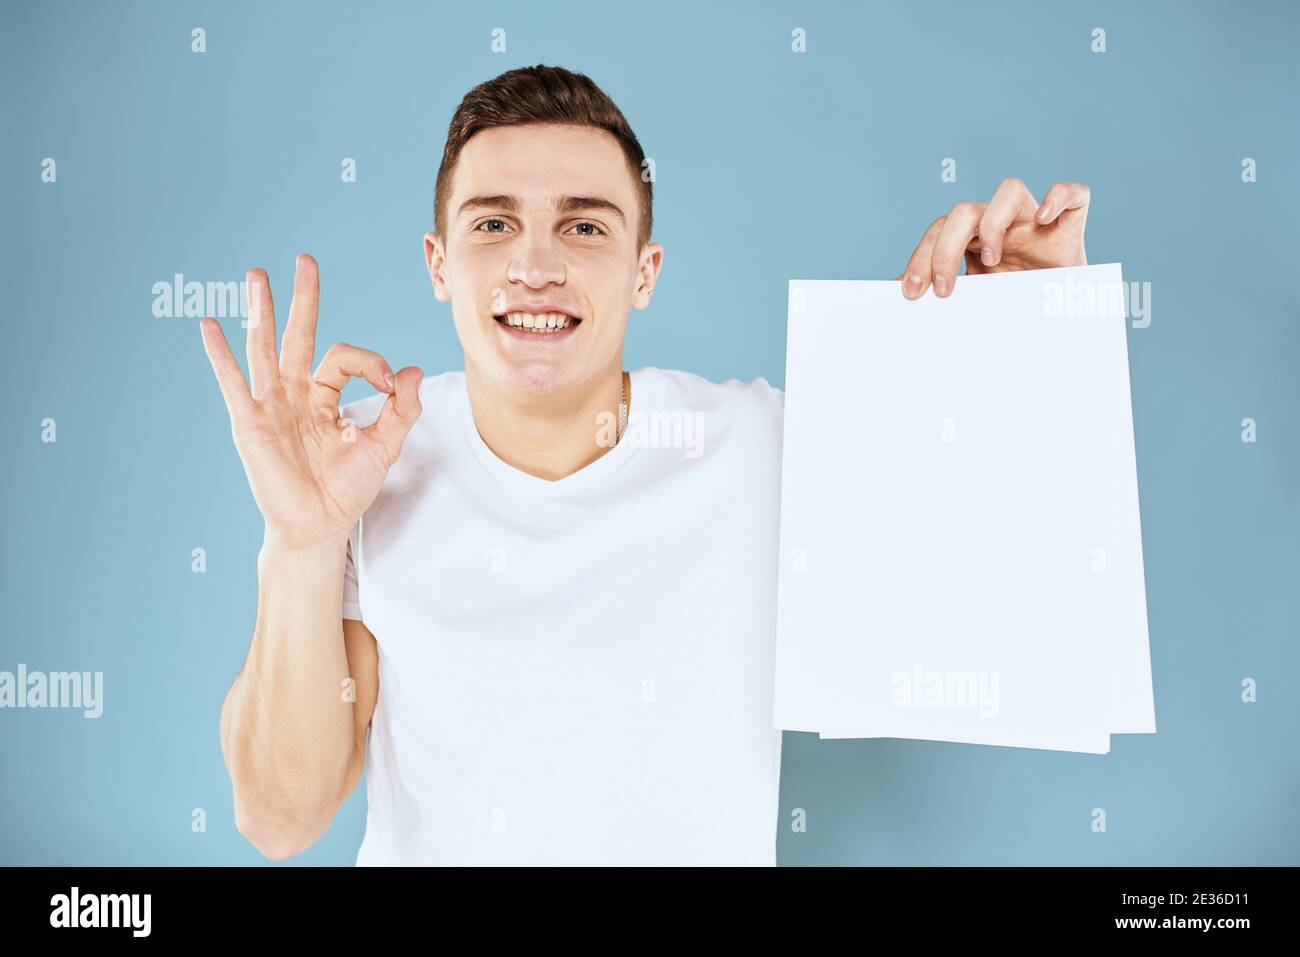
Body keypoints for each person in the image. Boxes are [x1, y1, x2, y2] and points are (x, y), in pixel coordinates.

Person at [200, 64, 1090, 866]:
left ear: (644, 270)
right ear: (440, 263)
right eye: (494, 222)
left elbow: (1013, 574)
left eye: (583, 225)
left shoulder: (765, 446)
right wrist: (302, 539)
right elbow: (281, 818)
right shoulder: (361, 459)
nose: (535, 264)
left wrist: (1028, 330)